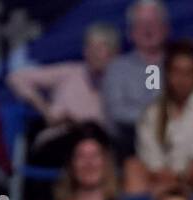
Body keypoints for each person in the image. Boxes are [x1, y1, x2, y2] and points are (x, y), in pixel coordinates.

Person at [7, 22, 118, 164]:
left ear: (114, 53)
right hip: (59, 143)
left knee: (92, 131)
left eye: (101, 48)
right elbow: (16, 78)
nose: (95, 53)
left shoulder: (120, 84)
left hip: (98, 150)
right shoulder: (69, 73)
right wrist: (45, 109)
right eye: (91, 47)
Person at [127, 39, 193, 194]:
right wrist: (168, 179)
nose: (182, 79)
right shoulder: (152, 112)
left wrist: (179, 179)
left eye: (189, 73)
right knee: (132, 167)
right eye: (176, 71)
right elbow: (154, 164)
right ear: (167, 73)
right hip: (162, 184)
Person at [103, 0, 170, 157]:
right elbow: (117, 113)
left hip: (175, 141)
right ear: (131, 32)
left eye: (153, 23)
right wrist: (155, 118)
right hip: (130, 144)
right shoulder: (117, 68)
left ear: (165, 28)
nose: (148, 29)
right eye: (141, 24)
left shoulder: (181, 65)